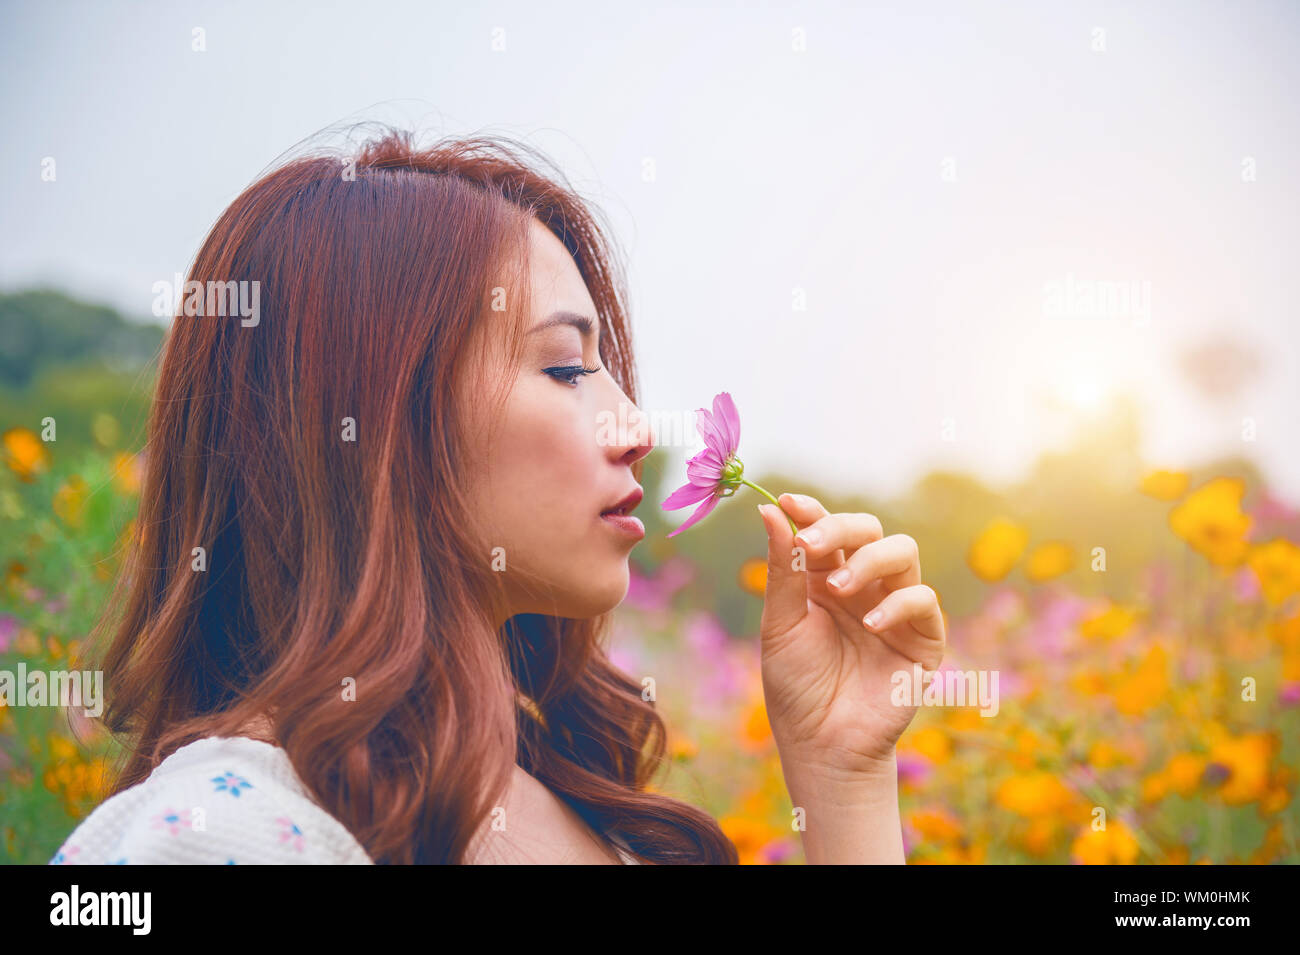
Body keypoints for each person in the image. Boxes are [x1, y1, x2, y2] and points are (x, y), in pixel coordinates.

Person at [51, 128, 945, 864]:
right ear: (373, 418)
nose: (636, 426)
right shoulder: (210, 834)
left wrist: (843, 779)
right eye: (564, 367)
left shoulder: (578, 813)